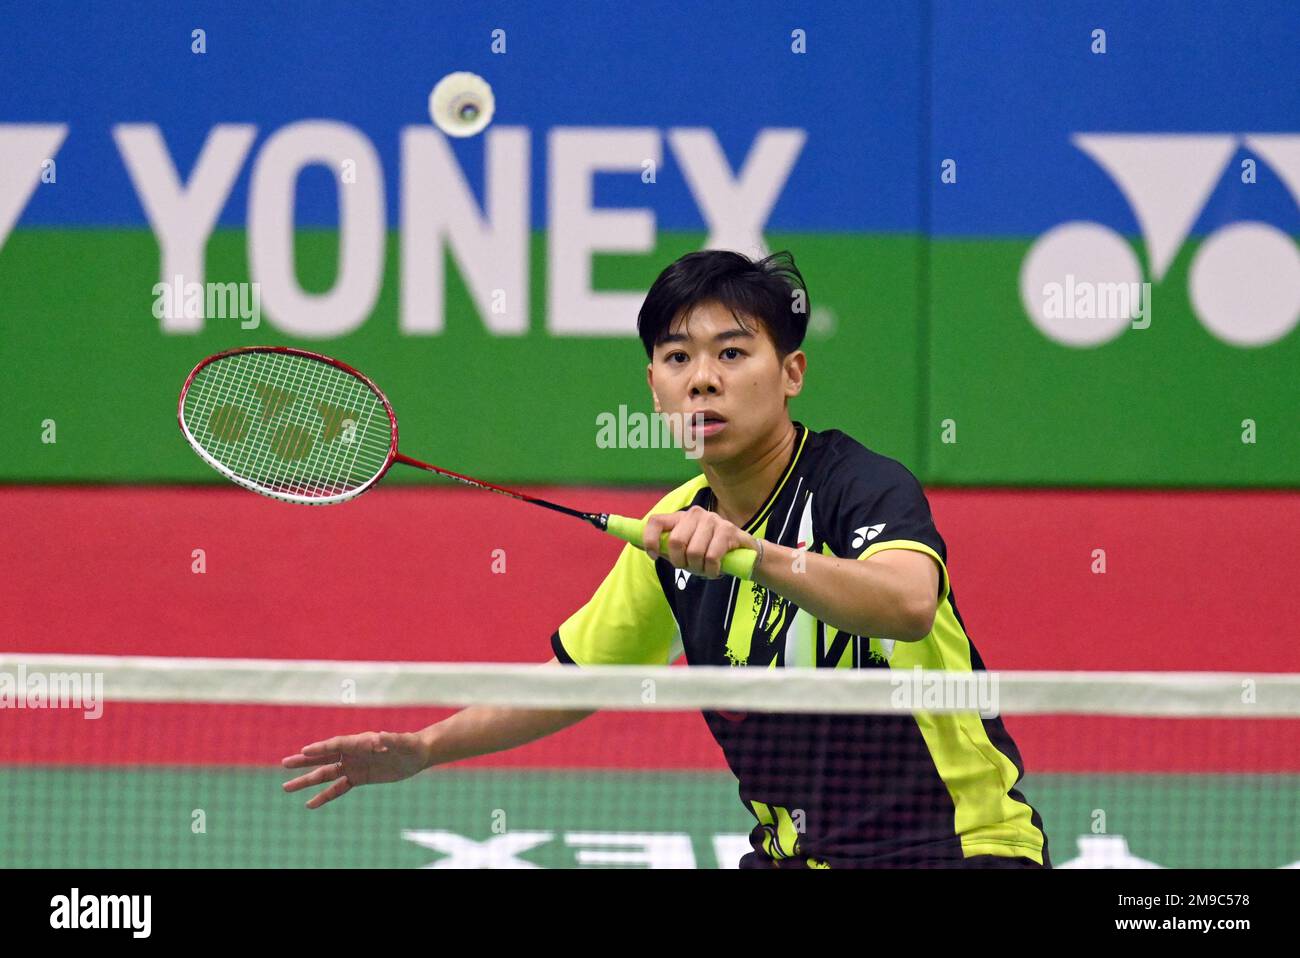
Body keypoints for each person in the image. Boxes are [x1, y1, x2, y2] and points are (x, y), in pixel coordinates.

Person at [282, 249, 1050, 869]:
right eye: (677, 357)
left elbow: (908, 604)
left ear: (792, 373)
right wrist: (424, 748)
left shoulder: (858, 485)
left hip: (955, 848)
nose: (704, 378)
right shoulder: (672, 533)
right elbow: (577, 681)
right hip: (796, 856)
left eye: (733, 352)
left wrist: (757, 557)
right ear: (654, 386)